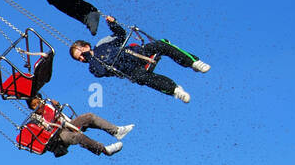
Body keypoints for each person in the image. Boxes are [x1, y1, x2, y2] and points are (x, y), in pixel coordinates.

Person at [69, 15, 210, 103]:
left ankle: (193, 62)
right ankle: (175, 90)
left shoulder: (102, 44)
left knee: (162, 45)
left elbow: (120, 35)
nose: (82, 58)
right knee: (142, 78)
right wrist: (90, 57)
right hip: (131, 70)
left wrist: (113, 24)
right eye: (79, 59)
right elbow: (101, 71)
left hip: (137, 54)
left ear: (87, 46)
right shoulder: (93, 67)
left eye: (81, 54)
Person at [25, 96, 133, 157]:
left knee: (89, 117)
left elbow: (60, 113)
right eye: (34, 105)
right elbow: (42, 131)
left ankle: (117, 131)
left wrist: (56, 104)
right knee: (78, 137)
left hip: (67, 125)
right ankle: (104, 150)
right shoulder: (35, 118)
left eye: (38, 102)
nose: (38, 106)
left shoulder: (48, 106)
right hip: (59, 136)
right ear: (31, 108)